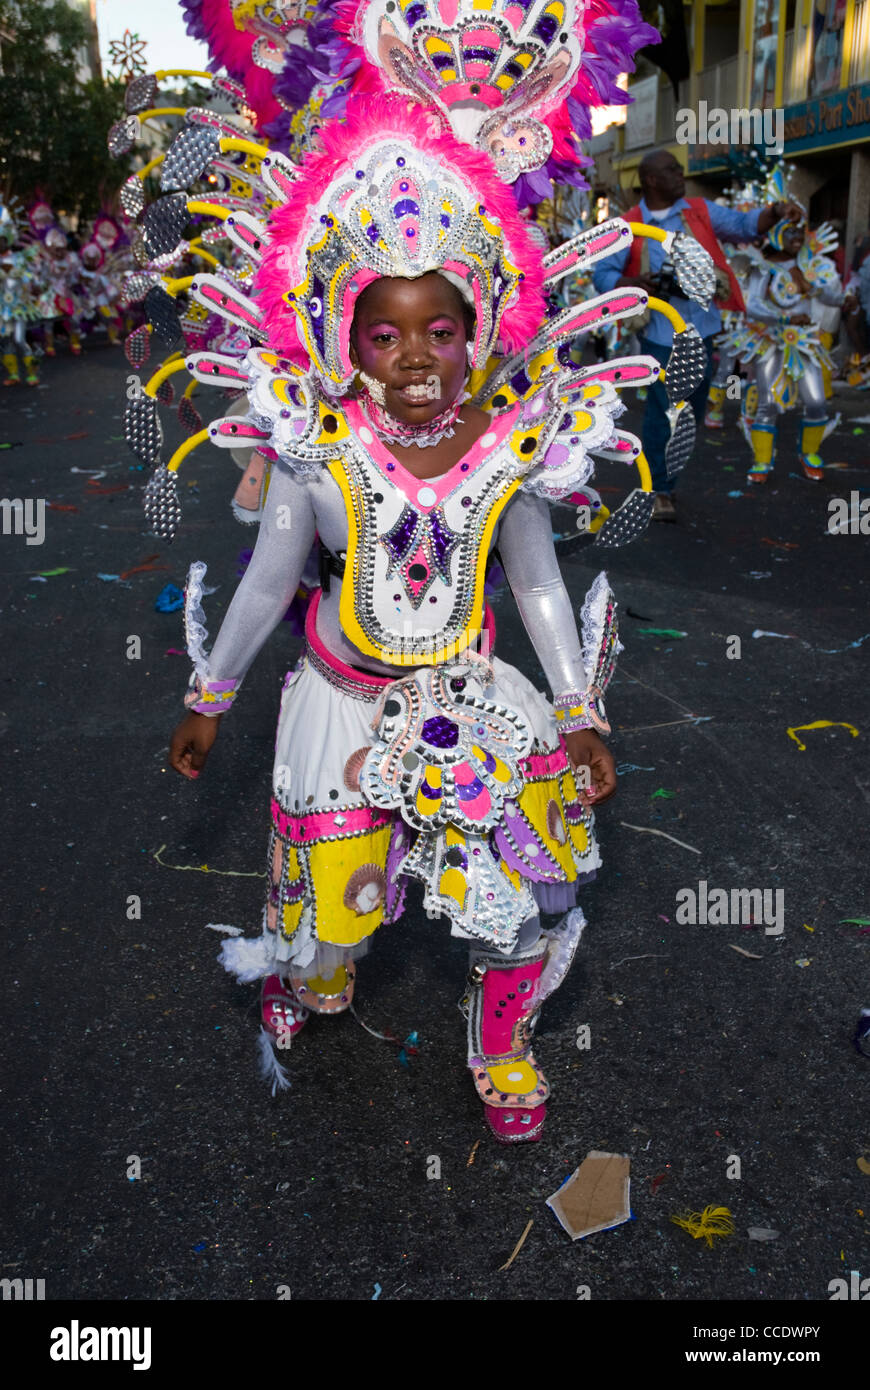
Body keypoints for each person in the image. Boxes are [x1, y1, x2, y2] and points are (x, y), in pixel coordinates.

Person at [164, 102, 632, 1144]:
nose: (416, 356)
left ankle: (500, 1043)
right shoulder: (314, 447)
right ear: (344, 336)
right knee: (333, 908)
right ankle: (316, 970)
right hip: (340, 703)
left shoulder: (514, 451)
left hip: (475, 707)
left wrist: (576, 708)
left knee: (518, 897)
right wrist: (211, 696)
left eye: (442, 329)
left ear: (481, 329)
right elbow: (262, 581)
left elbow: (543, 586)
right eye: (385, 334)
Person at [592, 149, 802, 519]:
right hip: (659, 333)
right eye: (672, 170)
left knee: (692, 410)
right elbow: (602, 275)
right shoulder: (628, 224)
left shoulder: (699, 211)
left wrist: (776, 212)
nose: (681, 175)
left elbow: (743, 226)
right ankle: (659, 489)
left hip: (702, 329)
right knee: (663, 410)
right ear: (652, 180)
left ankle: (668, 479)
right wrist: (632, 281)